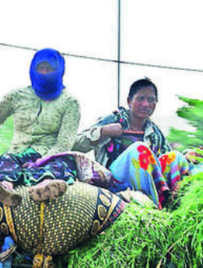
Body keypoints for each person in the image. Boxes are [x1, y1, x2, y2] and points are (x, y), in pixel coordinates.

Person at [0, 48, 81, 192]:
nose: (44, 73)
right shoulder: (16, 96)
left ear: (59, 71)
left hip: (49, 158)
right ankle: (6, 188)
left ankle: (45, 186)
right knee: (5, 159)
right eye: (41, 68)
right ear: (33, 70)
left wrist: (39, 162)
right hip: (18, 156)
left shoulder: (70, 102)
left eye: (49, 69)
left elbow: (64, 143)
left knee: (64, 162)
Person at [73, 77, 193, 208]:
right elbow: (76, 144)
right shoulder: (113, 119)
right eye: (140, 98)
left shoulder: (154, 133)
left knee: (176, 157)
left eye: (151, 100)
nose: (146, 104)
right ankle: (155, 207)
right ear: (129, 101)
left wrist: (186, 157)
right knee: (139, 150)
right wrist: (103, 132)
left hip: (148, 182)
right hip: (114, 182)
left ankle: (174, 204)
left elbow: (166, 159)